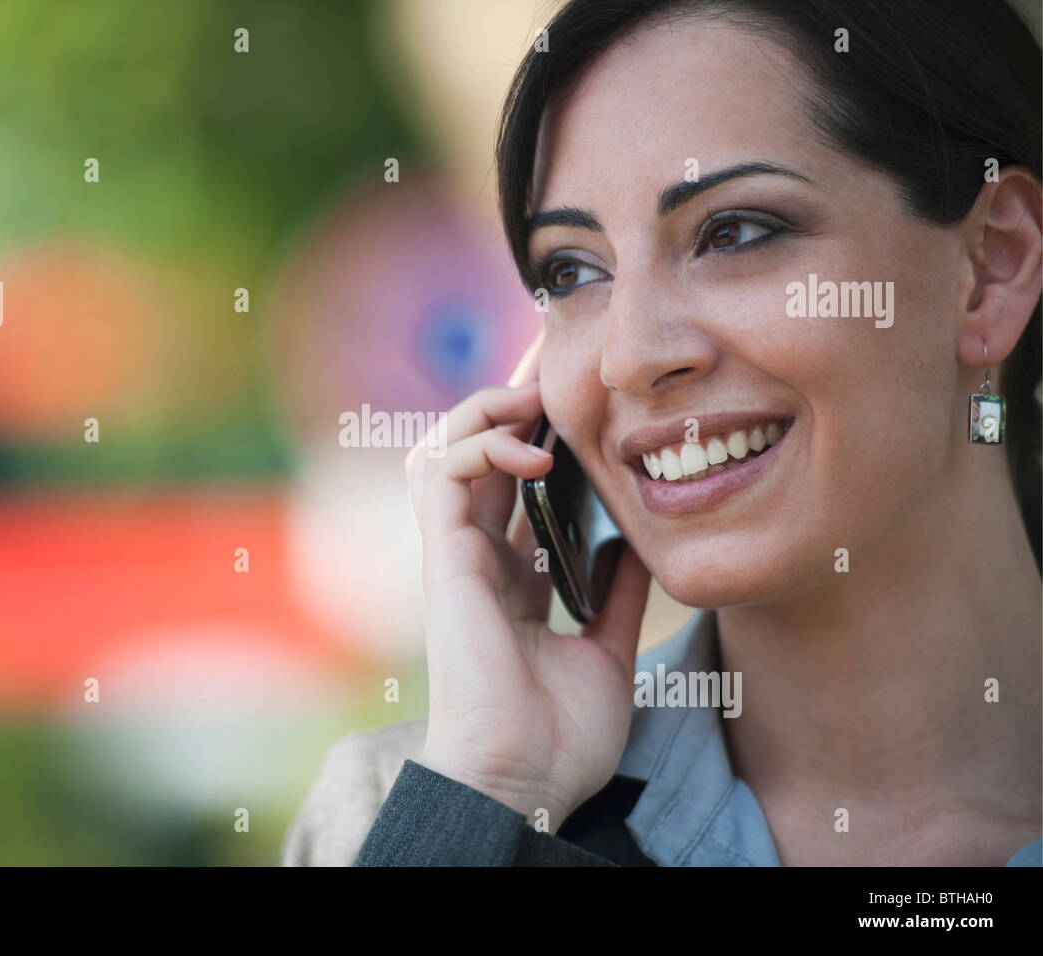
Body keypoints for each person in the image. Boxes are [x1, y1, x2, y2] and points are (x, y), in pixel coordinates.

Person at [282, 0, 1042, 866]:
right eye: (570, 271)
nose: (630, 358)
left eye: (733, 232)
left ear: (990, 266)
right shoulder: (409, 812)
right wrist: (495, 792)